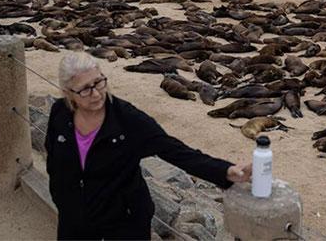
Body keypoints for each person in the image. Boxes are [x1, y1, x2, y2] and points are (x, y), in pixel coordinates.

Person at [45, 53, 251, 240]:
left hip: (124, 224)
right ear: (68, 92)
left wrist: (225, 171)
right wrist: (62, 198)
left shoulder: (127, 119)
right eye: (85, 90)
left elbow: (175, 151)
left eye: (99, 82)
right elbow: (53, 158)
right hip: (74, 221)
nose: (97, 94)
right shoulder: (59, 113)